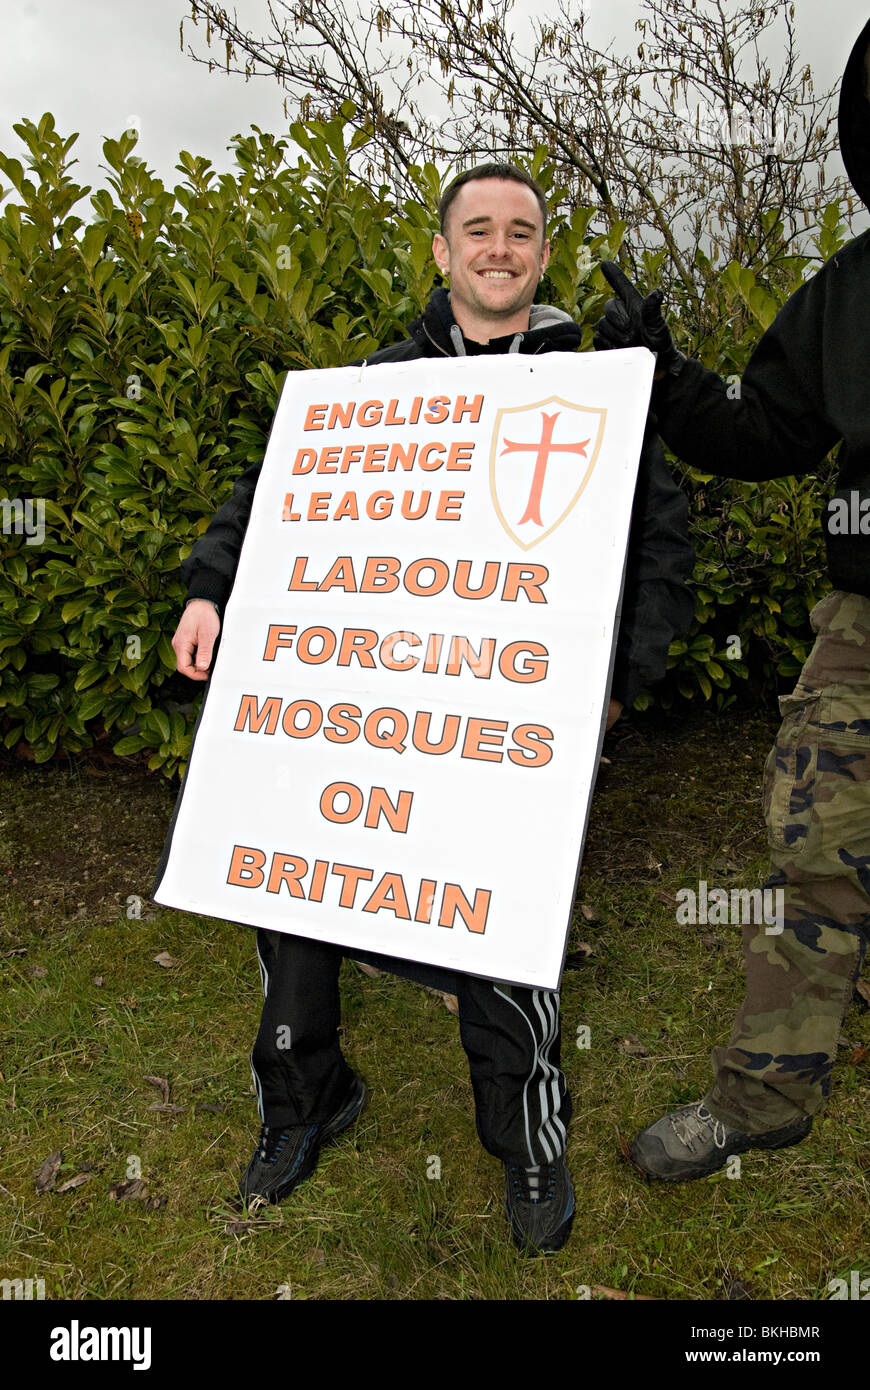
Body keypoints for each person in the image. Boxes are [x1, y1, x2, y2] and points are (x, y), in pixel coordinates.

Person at [170, 163, 694, 1248]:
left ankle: (524, 1138)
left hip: (504, 722)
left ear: (542, 255)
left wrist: (612, 686)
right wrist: (211, 588)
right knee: (290, 884)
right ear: (444, 251)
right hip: (364, 700)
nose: (500, 248)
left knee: (504, 924)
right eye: (478, 230)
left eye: (522, 232)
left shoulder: (599, 384)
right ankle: (306, 1097)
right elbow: (272, 491)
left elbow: (664, 546)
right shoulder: (375, 381)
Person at [593, 20, 870, 1182]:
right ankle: (763, 1092)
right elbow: (764, 429)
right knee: (817, 842)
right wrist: (663, 374)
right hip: (864, 625)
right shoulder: (852, 289)